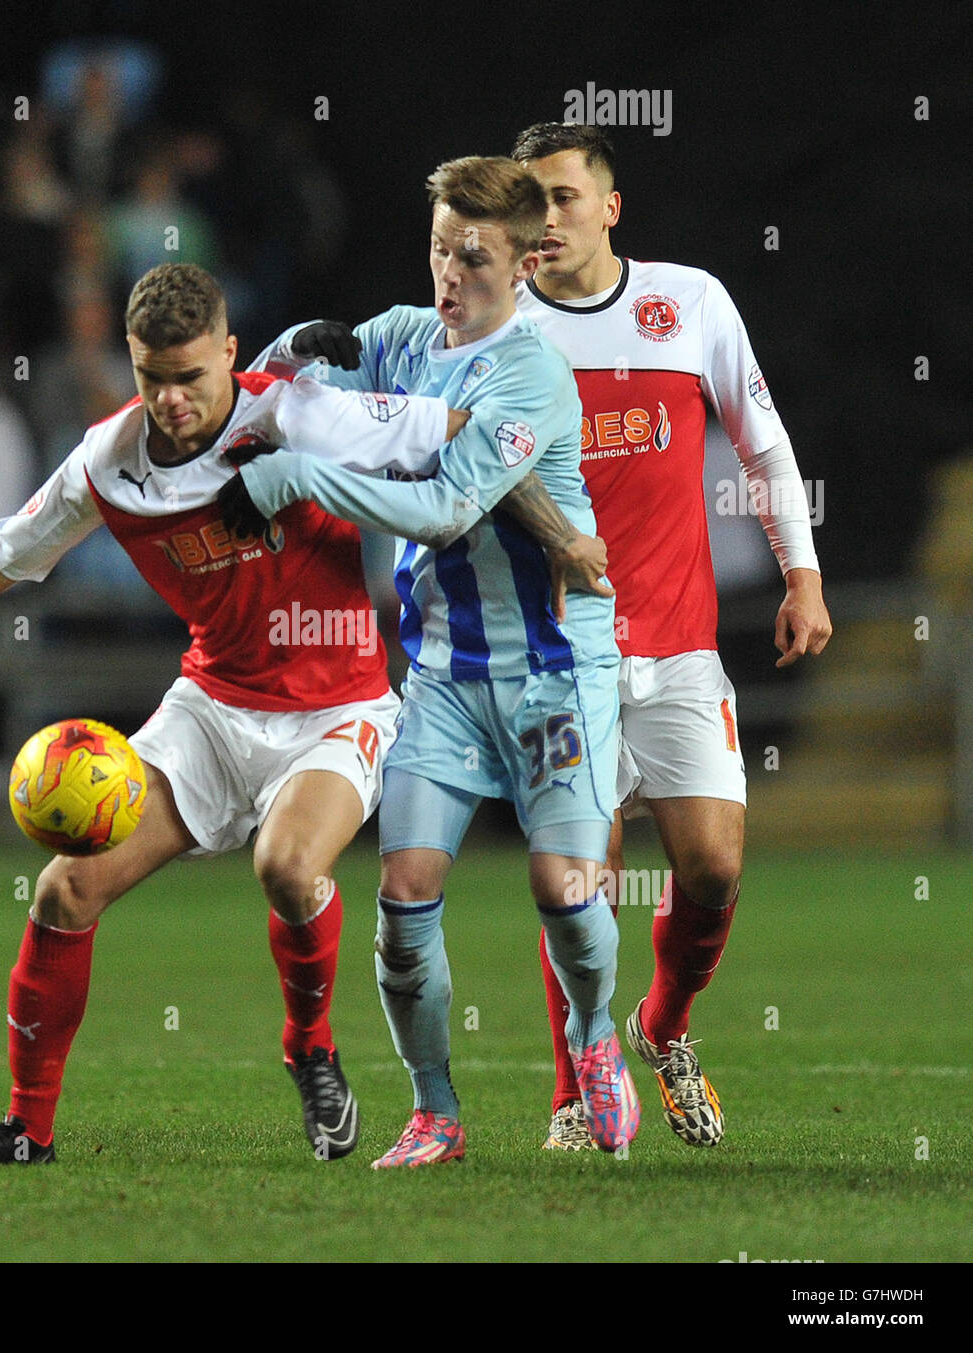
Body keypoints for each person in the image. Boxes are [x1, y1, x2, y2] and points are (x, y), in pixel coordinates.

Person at [0, 262, 470, 1165]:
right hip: (210, 708)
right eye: (152, 377)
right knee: (66, 888)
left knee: (287, 865)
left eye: (191, 377)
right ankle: (27, 1129)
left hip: (337, 706)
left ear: (231, 354)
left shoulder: (295, 414)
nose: (171, 400)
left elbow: (460, 434)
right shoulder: (109, 460)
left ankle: (311, 1047)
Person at [229, 156, 640, 1165]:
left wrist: (298, 478)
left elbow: (447, 507)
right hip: (444, 677)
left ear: (526, 260)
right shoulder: (408, 339)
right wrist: (293, 346)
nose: (446, 275)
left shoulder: (532, 373)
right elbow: (288, 386)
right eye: (436, 250)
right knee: (404, 889)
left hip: (553, 667)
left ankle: (595, 1037)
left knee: (563, 889)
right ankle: (435, 1112)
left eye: (470, 257)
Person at [508, 122, 832, 1149]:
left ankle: (663, 1026)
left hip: (684, 649)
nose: (545, 218)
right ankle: (576, 1092)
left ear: (609, 208)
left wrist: (802, 573)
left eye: (563, 197)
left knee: (714, 870)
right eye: (531, 201)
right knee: (579, 883)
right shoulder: (500, 330)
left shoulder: (685, 302)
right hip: (563, 657)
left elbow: (761, 436)